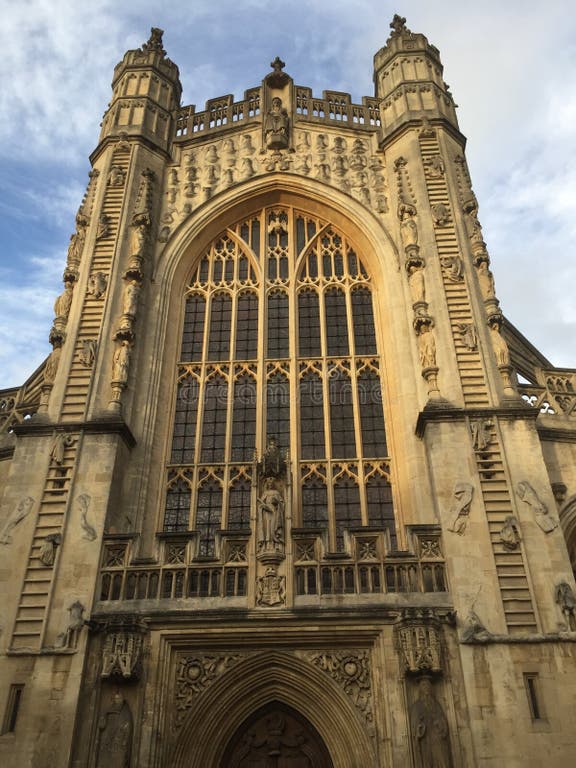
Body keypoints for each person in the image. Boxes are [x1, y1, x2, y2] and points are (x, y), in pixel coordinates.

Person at [410, 678, 453, 767]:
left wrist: (439, 724)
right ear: (420, 689)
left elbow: (443, 721)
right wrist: (419, 728)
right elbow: (414, 726)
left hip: (437, 740)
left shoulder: (436, 705)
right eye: (424, 685)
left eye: (428, 685)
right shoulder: (416, 706)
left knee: (443, 762)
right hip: (425, 742)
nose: (427, 688)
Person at [96, 691, 133, 768]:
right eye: (116, 698)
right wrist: (103, 720)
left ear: (122, 699)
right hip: (108, 741)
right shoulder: (108, 710)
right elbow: (101, 725)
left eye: (119, 698)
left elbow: (127, 726)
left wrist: (124, 741)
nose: (117, 700)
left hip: (119, 742)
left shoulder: (126, 712)